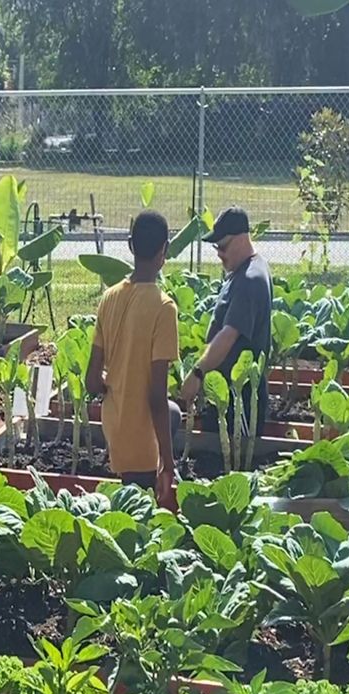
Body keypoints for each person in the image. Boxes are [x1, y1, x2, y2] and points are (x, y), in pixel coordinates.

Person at [86, 210, 182, 506]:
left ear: (130, 245)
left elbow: (91, 382)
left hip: (114, 427)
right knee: (139, 522)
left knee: (175, 413)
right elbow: (155, 397)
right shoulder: (164, 308)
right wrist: (168, 462)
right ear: (164, 250)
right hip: (141, 443)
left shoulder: (109, 298)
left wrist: (114, 386)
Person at [179, 207, 273, 435]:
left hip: (239, 401)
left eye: (223, 246)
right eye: (216, 247)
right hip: (227, 397)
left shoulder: (251, 279)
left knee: (232, 462)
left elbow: (229, 335)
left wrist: (197, 373)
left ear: (242, 239)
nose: (219, 254)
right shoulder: (243, 271)